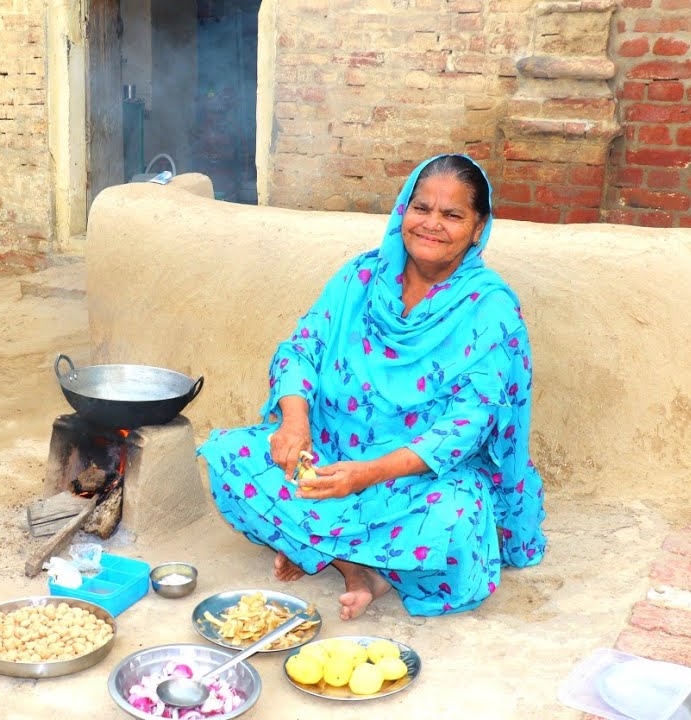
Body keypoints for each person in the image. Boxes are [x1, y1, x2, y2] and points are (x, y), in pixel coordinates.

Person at [197, 154, 546, 618]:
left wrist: (366, 474)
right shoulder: (362, 277)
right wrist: (296, 423)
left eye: (452, 215)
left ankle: (324, 548)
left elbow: (469, 424)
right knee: (228, 461)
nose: (432, 224)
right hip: (331, 454)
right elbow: (301, 348)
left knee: (456, 525)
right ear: (404, 209)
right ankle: (354, 564)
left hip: (418, 479)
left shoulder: (489, 307)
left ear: (478, 227)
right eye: (422, 209)